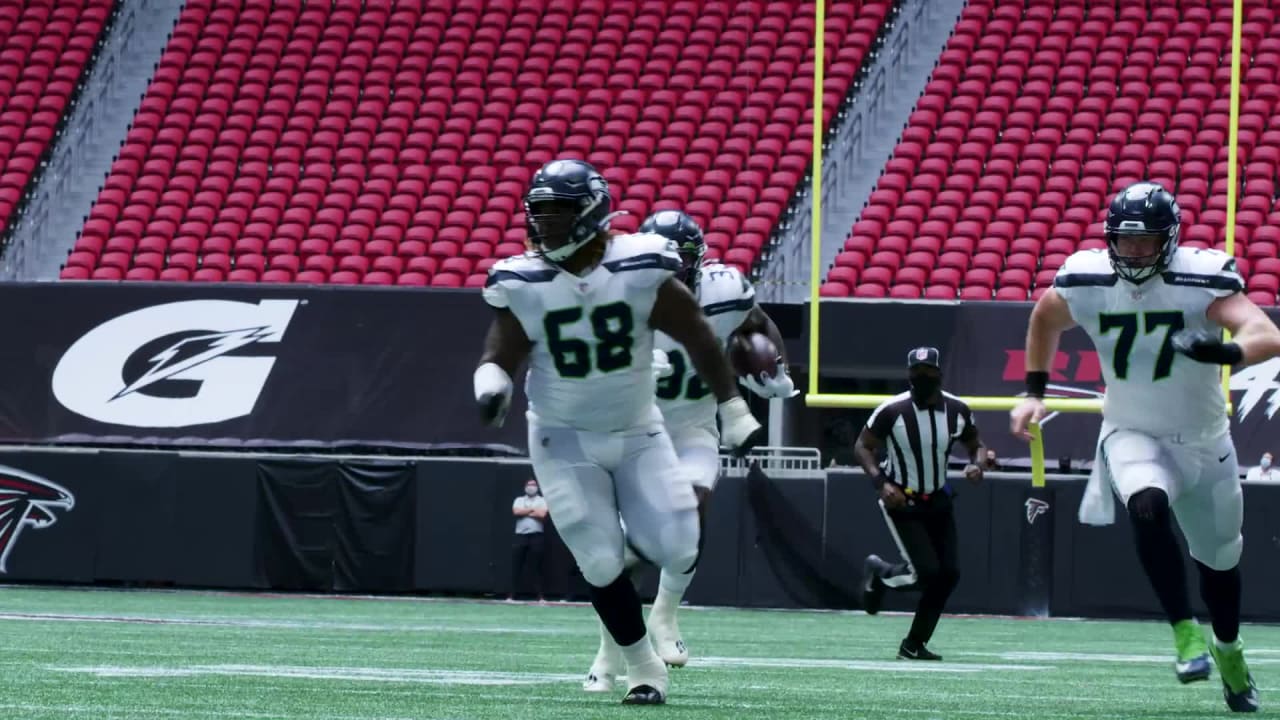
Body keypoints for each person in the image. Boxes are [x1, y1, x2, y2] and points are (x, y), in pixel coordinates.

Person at [473, 159, 764, 705]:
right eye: (540, 214)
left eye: (558, 215)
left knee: (678, 540)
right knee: (601, 560)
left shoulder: (641, 264)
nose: (545, 226)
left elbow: (702, 338)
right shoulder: (523, 277)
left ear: (590, 213)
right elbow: (502, 349)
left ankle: (661, 619)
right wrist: (491, 383)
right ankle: (642, 667)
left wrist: (733, 408)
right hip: (562, 436)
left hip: (638, 429)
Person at [1010, 181, 1280, 713]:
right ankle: (1184, 634)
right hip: (1132, 431)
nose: (1134, 253)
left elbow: (1264, 332)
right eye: (1126, 242)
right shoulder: (1086, 278)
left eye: (1146, 242)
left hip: (1205, 442)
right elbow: (1044, 317)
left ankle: (1228, 650)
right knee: (1147, 504)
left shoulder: (1198, 277)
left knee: (1220, 564)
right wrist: (1034, 392)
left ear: (1170, 240)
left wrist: (1225, 351)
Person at [582, 210, 796, 692]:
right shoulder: (620, 292)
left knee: (690, 515)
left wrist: (778, 369)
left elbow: (758, 320)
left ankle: (665, 615)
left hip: (695, 424)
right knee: (617, 552)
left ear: (695, 266)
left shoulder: (724, 290)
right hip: (634, 427)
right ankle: (608, 650)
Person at [854, 347, 985, 661]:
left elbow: (976, 445)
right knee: (926, 573)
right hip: (903, 499)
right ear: (909, 374)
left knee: (949, 573)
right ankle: (881, 574)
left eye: (928, 372)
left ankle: (913, 644)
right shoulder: (892, 410)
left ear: (939, 374)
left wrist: (977, 465)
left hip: (938, 498)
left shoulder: (957, 410)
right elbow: (862, 446)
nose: (922, 378)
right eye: (917, 372)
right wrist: (880, 482)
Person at [510, 478, 548, 602]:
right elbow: (516, 511)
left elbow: (542, 515)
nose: (531, 487)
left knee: (536, 566)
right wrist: (532, 510)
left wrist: (525, 511)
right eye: (529, 485)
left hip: (536, 536)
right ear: (525, 487)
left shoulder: (542, 500)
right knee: (516, 566)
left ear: (537, 487)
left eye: (533, 485)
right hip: (521, 536)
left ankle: (540, 596)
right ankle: (511, 595)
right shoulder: (519, 500)